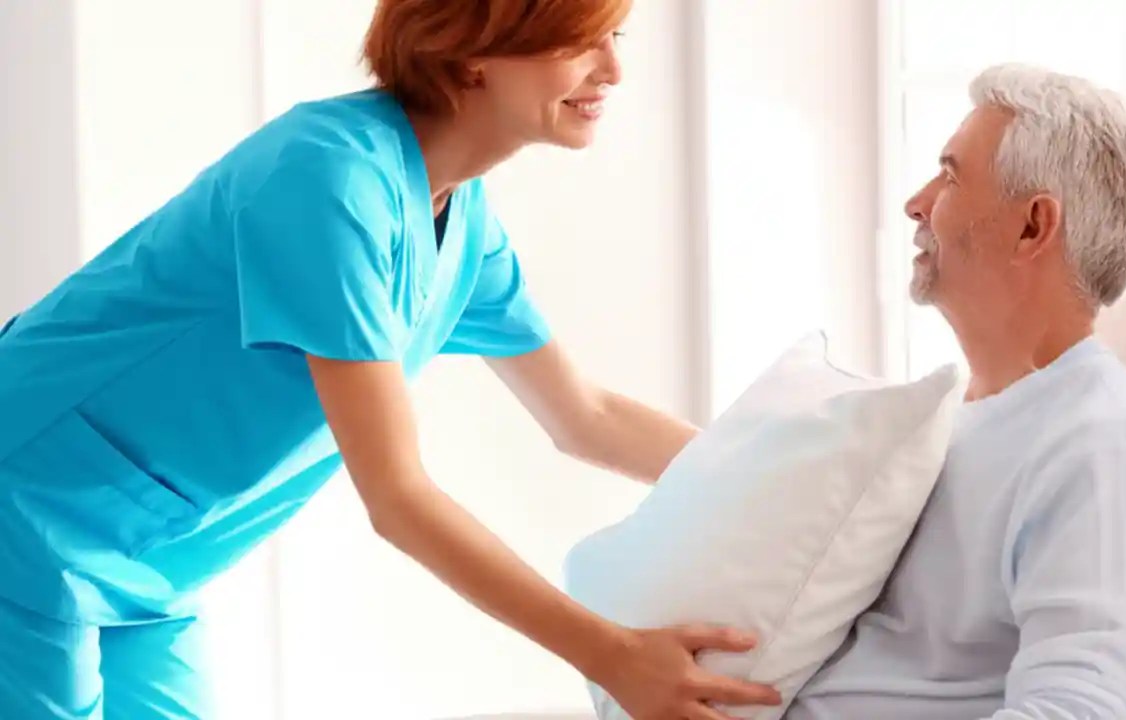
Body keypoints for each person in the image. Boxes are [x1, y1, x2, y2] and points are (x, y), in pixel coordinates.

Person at [0, 1, 782, 718]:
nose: (613, 70)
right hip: (30, 514)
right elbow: (399, 498)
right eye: (581, 42)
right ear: (473, 51)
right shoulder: (329, 180)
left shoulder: (459, 217)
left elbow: (585, 417)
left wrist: (779, 478)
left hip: (155, 567)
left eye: (615, 38)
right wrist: (612, 656)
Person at [786, 64, 1126, 720]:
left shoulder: (1101, 446)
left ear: (1033, 226)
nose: (917, 203)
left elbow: (1076, 708)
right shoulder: (958, 417)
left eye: (950, 176)